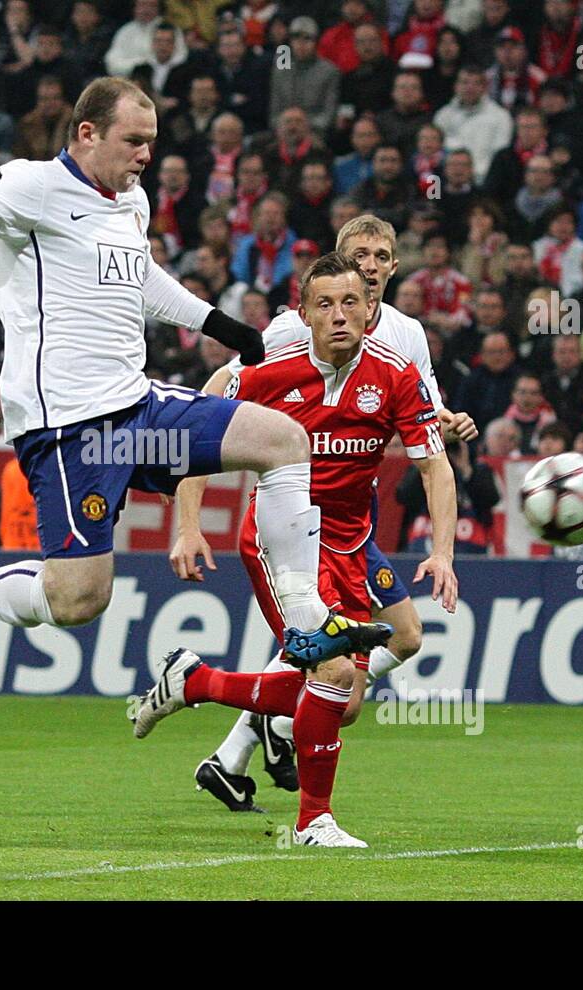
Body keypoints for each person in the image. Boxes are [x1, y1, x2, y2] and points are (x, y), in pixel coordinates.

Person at [0, 77, 390, 668]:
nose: (146, 155)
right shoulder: (35, 185)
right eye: (135, 140)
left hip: (141, 412)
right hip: (71, 427)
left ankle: (305, 619)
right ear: (87, 133)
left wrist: (222, 327)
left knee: (283, 440)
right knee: (78, 598)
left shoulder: (133, 199)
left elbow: (140, 277)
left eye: (151, 141)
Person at [133, 252, 457, 848]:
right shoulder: (265, 372)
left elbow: (434, 465)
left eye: (351, 302)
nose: (340, 315)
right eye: (326, 305)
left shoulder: (396, 376)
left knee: (345, 700)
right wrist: (187, 525)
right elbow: (192, 435)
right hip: (282, 543)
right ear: (303, 314)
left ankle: (195, 682)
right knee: (331, 672)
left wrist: (442, 551)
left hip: (352, 546)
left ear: (370, 310)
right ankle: (314, 822)